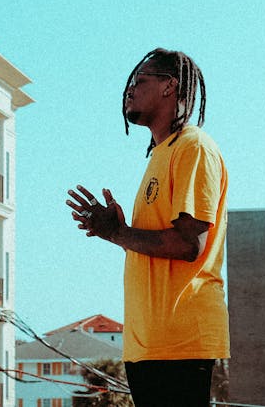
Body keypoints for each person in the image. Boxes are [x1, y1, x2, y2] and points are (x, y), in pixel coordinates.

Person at [66, 48, 229, 407]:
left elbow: (189, 243)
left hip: (181, 342)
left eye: (139, 81)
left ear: (170, 86)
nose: (129, 90)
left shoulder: (194, 147)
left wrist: (119, 234)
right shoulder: (161, 154)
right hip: (150, 345)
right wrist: (115, 234)